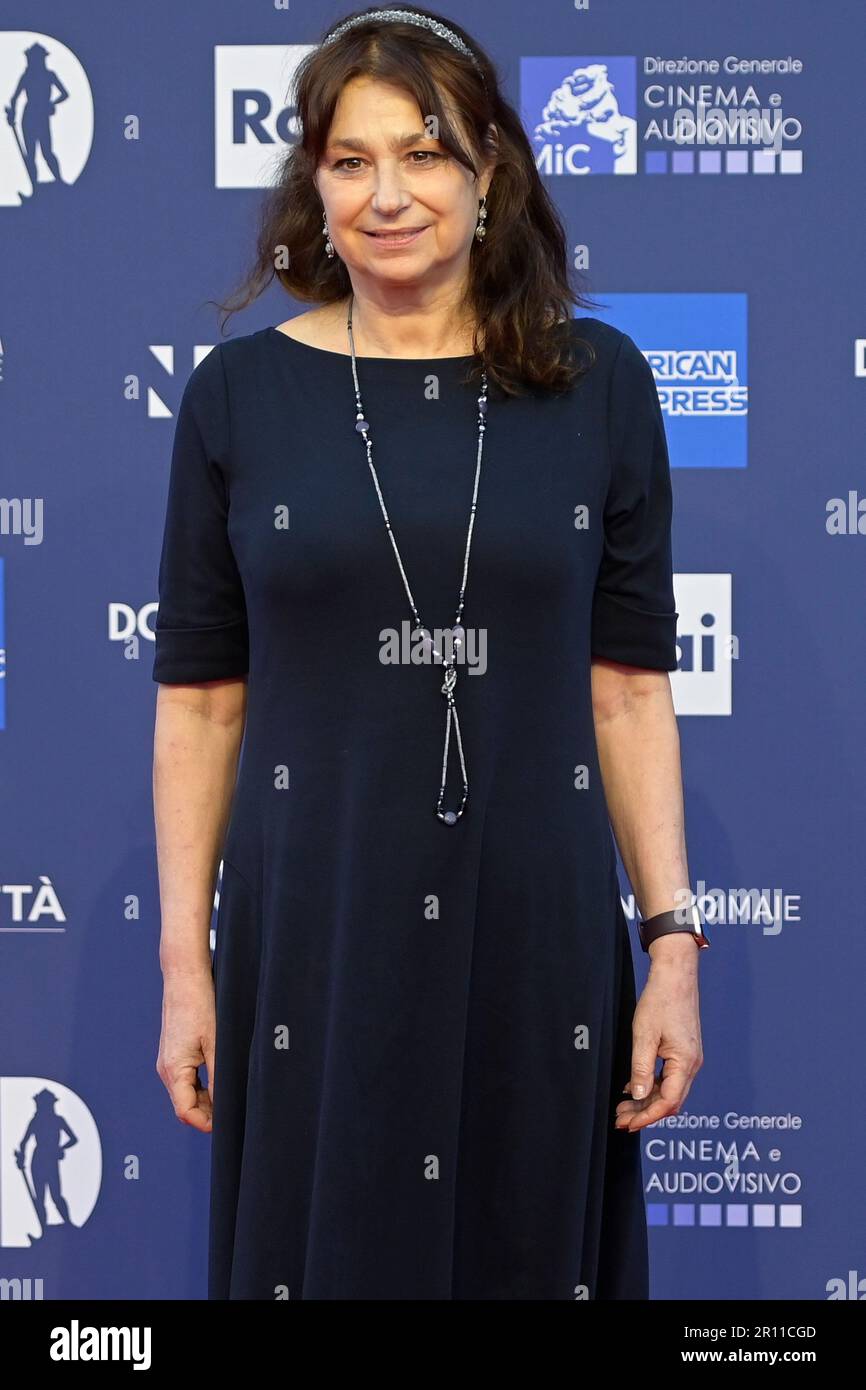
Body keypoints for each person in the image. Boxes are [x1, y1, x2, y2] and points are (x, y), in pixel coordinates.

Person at [152, 5, 706, 1301]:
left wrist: (670, 944)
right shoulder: (237, 397)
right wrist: (188, 963)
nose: (388, 194)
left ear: (490, 171)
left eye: (426, 152)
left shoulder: (599, 382)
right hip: (315, 930)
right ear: (313, 182)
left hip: (535, 919)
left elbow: (626, 691)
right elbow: (201, 707)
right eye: (350, 161)